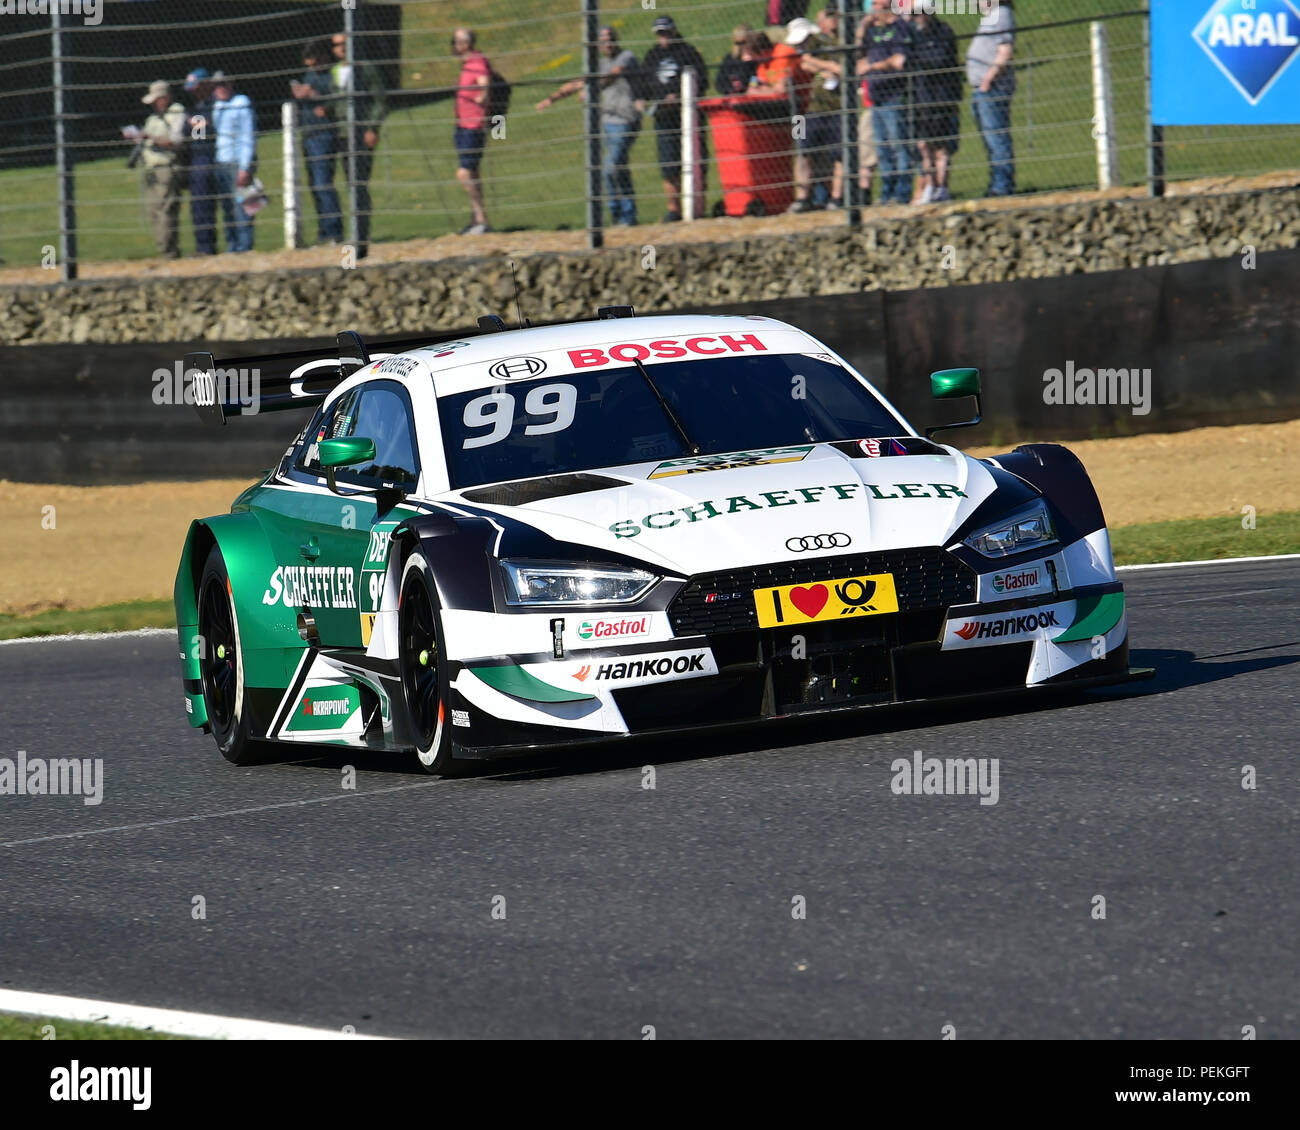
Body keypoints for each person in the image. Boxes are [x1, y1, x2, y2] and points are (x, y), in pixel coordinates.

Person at [537, 26, 642, 226]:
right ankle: (626, 216)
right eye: (603, 41)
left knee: (609, 169)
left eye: (610, 39)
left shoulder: (626, 57)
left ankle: (619, 212)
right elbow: (576, 83)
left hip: (626, 121)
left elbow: (612, 76)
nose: (608, 44)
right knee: (619, 168)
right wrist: (551, 99)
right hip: (608, 123)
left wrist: (592, 90)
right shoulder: (600, 64)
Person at [640, 15, 709, 223]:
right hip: (664, 117)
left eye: (666, 32)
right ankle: (674, 209)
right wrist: (646, 100)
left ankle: (698, 206)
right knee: (669, 165)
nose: (664, 37)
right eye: (660, 33)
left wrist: (680, 96)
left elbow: (702, 81)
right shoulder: (652, 56)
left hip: (688, 115)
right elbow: (643, 84)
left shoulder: (688, 53)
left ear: (674, 31)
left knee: (697, 162)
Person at [331, 31, 387, 258]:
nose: (341, 48)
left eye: (345, 43)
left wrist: (372, 127)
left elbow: (380, 100)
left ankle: (361, 234)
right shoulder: (333, 71)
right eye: (336, 45)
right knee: (350, 183)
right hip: (342, 134)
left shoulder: (365, 68)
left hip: (360, 133)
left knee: (359, 184)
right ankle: (353, 232)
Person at [856, 0, 913, 206]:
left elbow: (899, 60)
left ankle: (902, 194)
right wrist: (863, 27)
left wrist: (872, 66)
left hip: (894, 97)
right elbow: (858, 54)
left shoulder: (900, 28)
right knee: (882, 150)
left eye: (876, 6)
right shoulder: (873, 31)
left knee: (899, 147)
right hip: (876, 100)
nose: (872, 11)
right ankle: (886, 194)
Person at [125, 80, 186, 258]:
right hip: (150, 169)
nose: (152, 104)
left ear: (164, 98)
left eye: (155, 100)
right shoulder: (152, 119)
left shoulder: (177, 113)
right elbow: (145, 139)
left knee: (166, 210)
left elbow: (176, 142)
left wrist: (151, 137)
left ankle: (169, 251)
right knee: (153, 211)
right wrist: (136, 137)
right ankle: (163, 247)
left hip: (166, 167)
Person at [291, 39, 343, 244]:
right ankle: (323, 231)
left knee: (323, 184)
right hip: (309, 134)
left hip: (324, 134)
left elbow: (339, 99)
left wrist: (316, 96)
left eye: (314, 61)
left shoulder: (331, 76)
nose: (311, 66)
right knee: (314, 185)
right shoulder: (310, 75)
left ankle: (334, 232)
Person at [908, 1, 961, 204]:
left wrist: (917, 58)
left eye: (922, 13)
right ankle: (930, 186)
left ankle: (942, 188)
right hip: (922, 99)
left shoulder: (943, 32)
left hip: (940, 98)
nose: (919, 17)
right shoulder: (915, 35)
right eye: (915, 14)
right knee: (923, 145)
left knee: (941, 147)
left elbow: (938, 60)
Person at [796, 10, 847, 211]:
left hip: (837, 107)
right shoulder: (816, 41)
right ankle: (802, 197)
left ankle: (836, 197)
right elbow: (806, 62)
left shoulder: (844, 40)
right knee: (803, 152)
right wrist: (826, 66)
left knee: (838, 154)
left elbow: (847, 67)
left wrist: (834, 70)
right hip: (807, 111)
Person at [967, 0, 1016, 197]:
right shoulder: (990, 17)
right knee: (990, 139)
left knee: (996, 138)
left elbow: (1005, 52)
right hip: (981, 88)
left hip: (991, 88)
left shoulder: (1001, 14)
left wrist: (988, 79)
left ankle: (1002, 186)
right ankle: (997, 182)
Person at [211, 73, 256, 252]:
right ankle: (232, 245)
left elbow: (247, 135)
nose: (219, 89)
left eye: (223, 84)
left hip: (238, 161)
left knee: (243, 205)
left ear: (230, 84)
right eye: (216, 86)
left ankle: (245, 246)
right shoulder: (215, 105)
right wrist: (197, 129)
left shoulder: (241, 103)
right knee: (227, 207)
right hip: (221, 161)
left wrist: (245, 167)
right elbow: (200, 132)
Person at [452, 27, 491, 235]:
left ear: (465, 44)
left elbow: (485, 82)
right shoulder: (467, 64)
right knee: (472, 172)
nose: (454, 45)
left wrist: (483, 95)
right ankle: (478, 219)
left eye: (456, 41)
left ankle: (481, 218)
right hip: (462, 124)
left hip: (473, 125)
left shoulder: (477, 61)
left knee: (464, 172)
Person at [183, 69, 217, 255]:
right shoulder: (196, 108)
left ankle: (236, 245)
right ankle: (203, 247)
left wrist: (202, 125)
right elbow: (195, 133)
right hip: (197, 157)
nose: (193, 92)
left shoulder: (215, 104)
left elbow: (209, 128)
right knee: (199, 205)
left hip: (212, 155)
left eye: (196, 88)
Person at [716, 24, 756, 94]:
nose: (740, 46)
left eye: (743, 42)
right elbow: (720, 81)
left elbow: (756, 76)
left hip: (750, 94)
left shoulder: (756, 57)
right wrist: (730, 89)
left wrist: (751, 87)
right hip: (732, 95)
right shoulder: (730, 58)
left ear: (750, 41)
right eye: (737, 43)